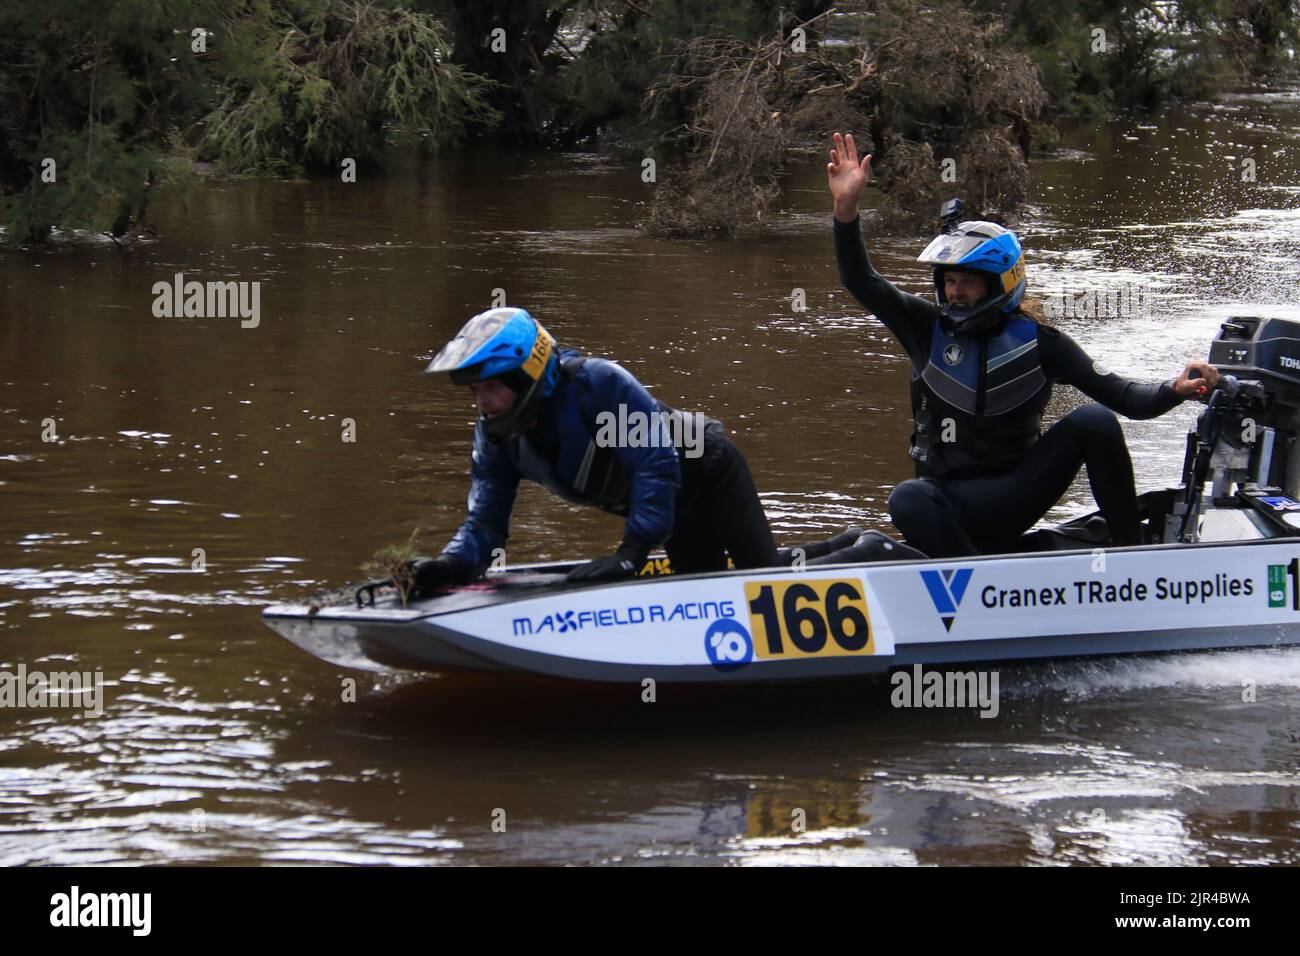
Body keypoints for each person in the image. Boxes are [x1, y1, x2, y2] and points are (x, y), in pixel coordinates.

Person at [825, 132, 1219, 558]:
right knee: (907, 498)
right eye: (950, 282)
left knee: (1094, 421)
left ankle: (1131, 561)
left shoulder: (1041, 342)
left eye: (968, 282)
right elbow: (861, 280)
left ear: (1000, 284)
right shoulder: (923, 327)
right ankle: (975, 579)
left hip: (1014, 494)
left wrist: (1176, 390)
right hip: (946, 501)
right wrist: (846, 210)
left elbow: (1125, 397)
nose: (955, 292)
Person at [410, 306, 779, 592]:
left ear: (525, 376)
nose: (483, 402)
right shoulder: (497, 437)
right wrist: (449, 566)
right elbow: (486, 521)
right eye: (476, 391)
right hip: (670, 507)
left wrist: (631, 554)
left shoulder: (597, 387)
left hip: (709, 474)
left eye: (491, 387)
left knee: (763, 586)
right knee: (704, 588)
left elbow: (655, 465)